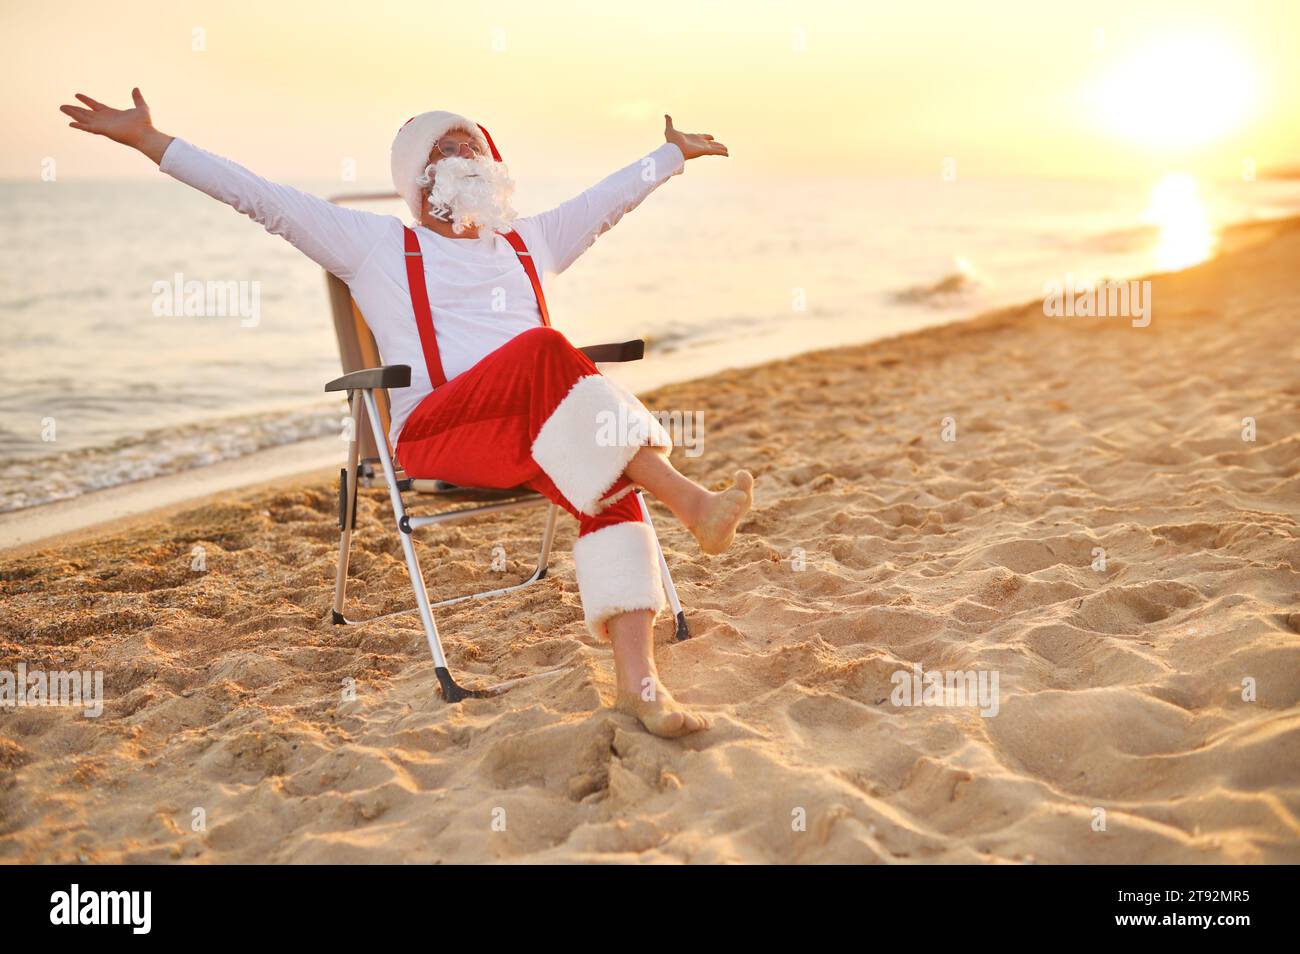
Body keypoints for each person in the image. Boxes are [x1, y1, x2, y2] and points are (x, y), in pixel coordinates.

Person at [60, 88, 754, 738]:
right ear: (417, 176)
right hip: (436, 435)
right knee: (549, 352)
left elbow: (609, 200)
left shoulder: (530, 240)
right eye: (446, 149)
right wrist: (152, 141)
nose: (465, 156)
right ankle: (692, 502)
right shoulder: (375, 245)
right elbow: (257, 198)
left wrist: (672, 155)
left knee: (604, 470)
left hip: (533, 431)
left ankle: (640, 684)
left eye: (473, 146)